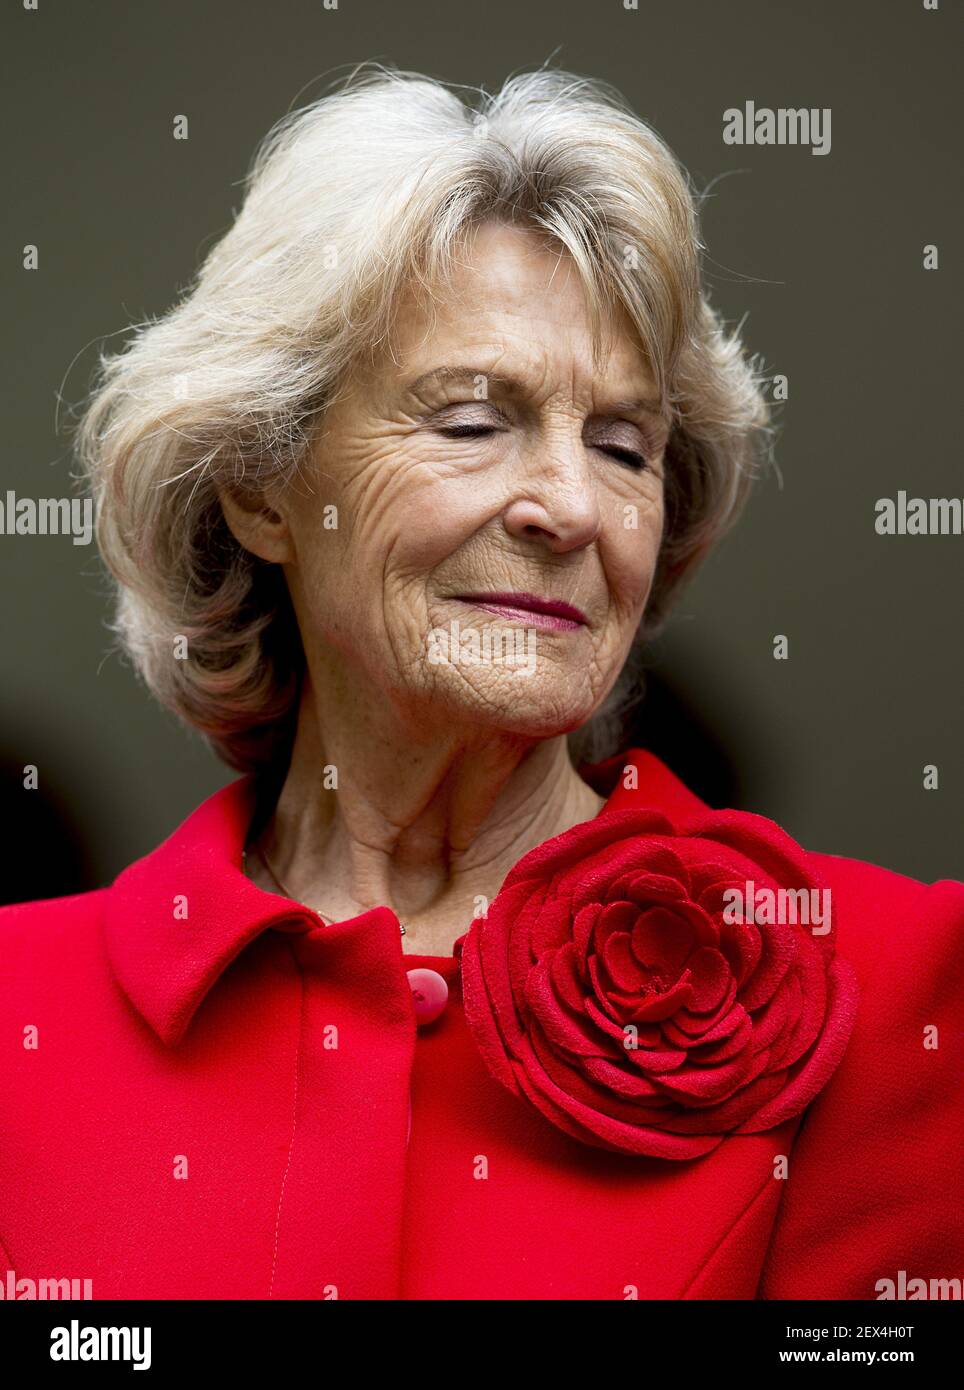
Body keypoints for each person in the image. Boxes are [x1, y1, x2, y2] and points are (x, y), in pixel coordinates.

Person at [1, 66, 960, 1301]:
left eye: (624, 446)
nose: (569, 506)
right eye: (468, 421)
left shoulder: (879, 983)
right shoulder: (23, 1011)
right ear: (260, 485)